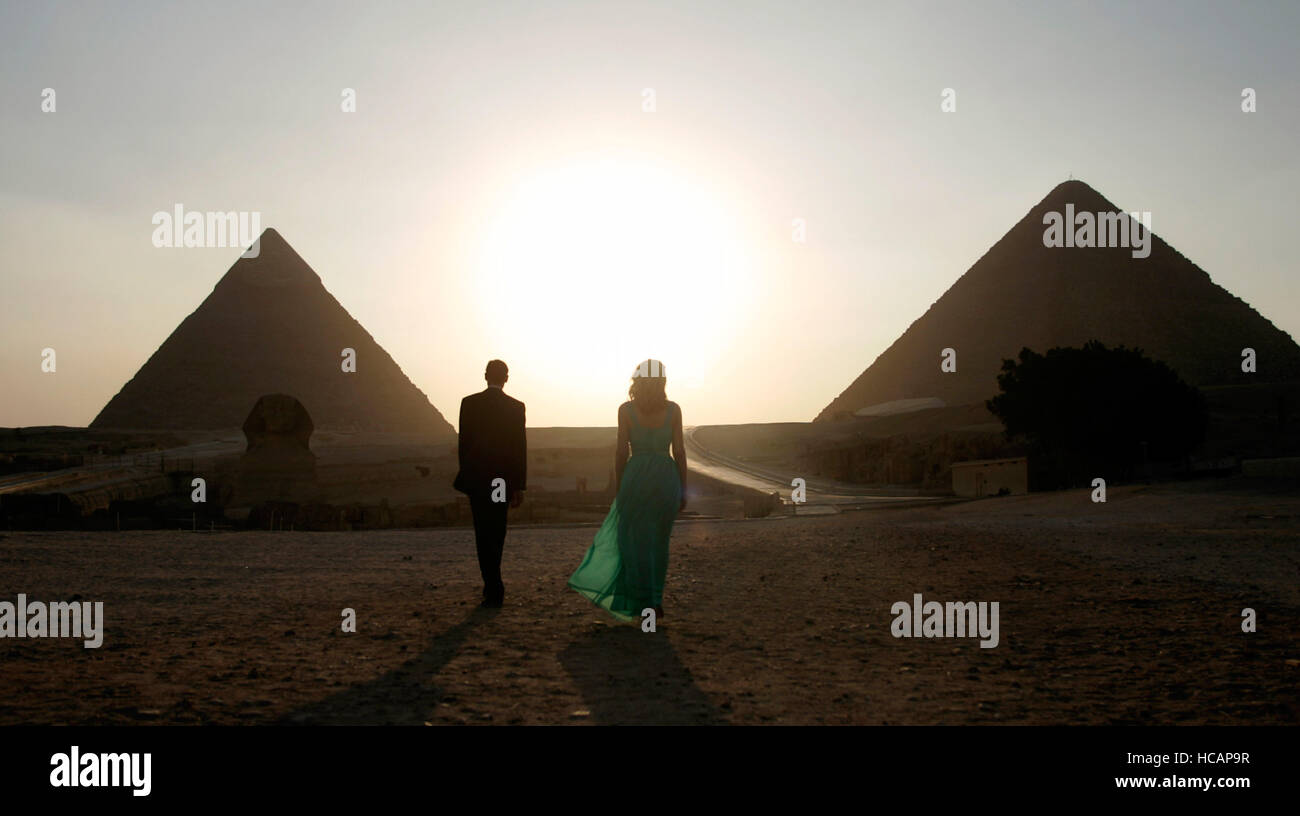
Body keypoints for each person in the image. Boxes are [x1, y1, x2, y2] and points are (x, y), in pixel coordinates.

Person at [568, 359, 686, 622]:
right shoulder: (674, 410)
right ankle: (654, 602)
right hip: (666, 477)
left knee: (634, 542)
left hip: (637, 478)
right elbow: (678, 451)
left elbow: (621, 451)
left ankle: (642, 602)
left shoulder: (626, 410)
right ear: (663, 381)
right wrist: (684, 487)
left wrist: (620, 485)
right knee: (659, 542)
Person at [453, 359, 526, 608]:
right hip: (501, 481)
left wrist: (467, 477)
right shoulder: (516, 407)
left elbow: (464, 445)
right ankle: (495, 585)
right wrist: (518, 486)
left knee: (482, 532)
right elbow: (519, 449)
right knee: (497, 530)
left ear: (485, 376)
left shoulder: (469, 404)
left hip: (479, 479)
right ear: (506, 378)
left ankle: (492, 585)